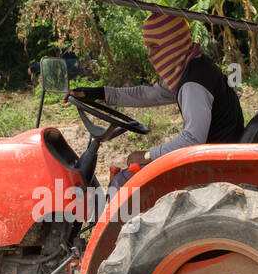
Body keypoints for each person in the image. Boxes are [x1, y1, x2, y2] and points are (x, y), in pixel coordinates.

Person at [74, 13, 244, 191]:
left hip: (211, 168)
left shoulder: (193, 84)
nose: (150, 55)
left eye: (155, 46)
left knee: (122, 184)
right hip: (213, 159)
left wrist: (148, 155)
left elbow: (192, 139)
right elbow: (149, 94)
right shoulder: (194, 68)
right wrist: (100, 93)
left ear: (173, 44)